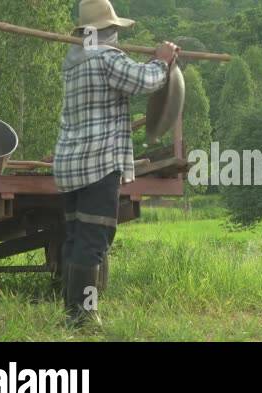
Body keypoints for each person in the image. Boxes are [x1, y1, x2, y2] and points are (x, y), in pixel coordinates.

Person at [54, 0, 180, 326]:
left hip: (70, 166)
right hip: (98, 164)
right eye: (114, 31)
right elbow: (145, 81)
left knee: (75, 237)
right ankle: (84, 315)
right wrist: (162, 61)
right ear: (108, 32)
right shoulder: (107, 58)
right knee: (94, 240)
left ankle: (72, 313)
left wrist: (152, 61)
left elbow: (125, 76)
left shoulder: (73, 61)